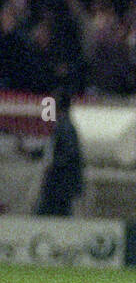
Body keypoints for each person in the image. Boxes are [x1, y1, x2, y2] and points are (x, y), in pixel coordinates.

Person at [37, 88, 84, 217]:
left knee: (48, 215)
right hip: (62, 185)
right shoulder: (64, 126)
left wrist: (52, 166)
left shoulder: (64, 127)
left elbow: (67, 154)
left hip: (60, 185)